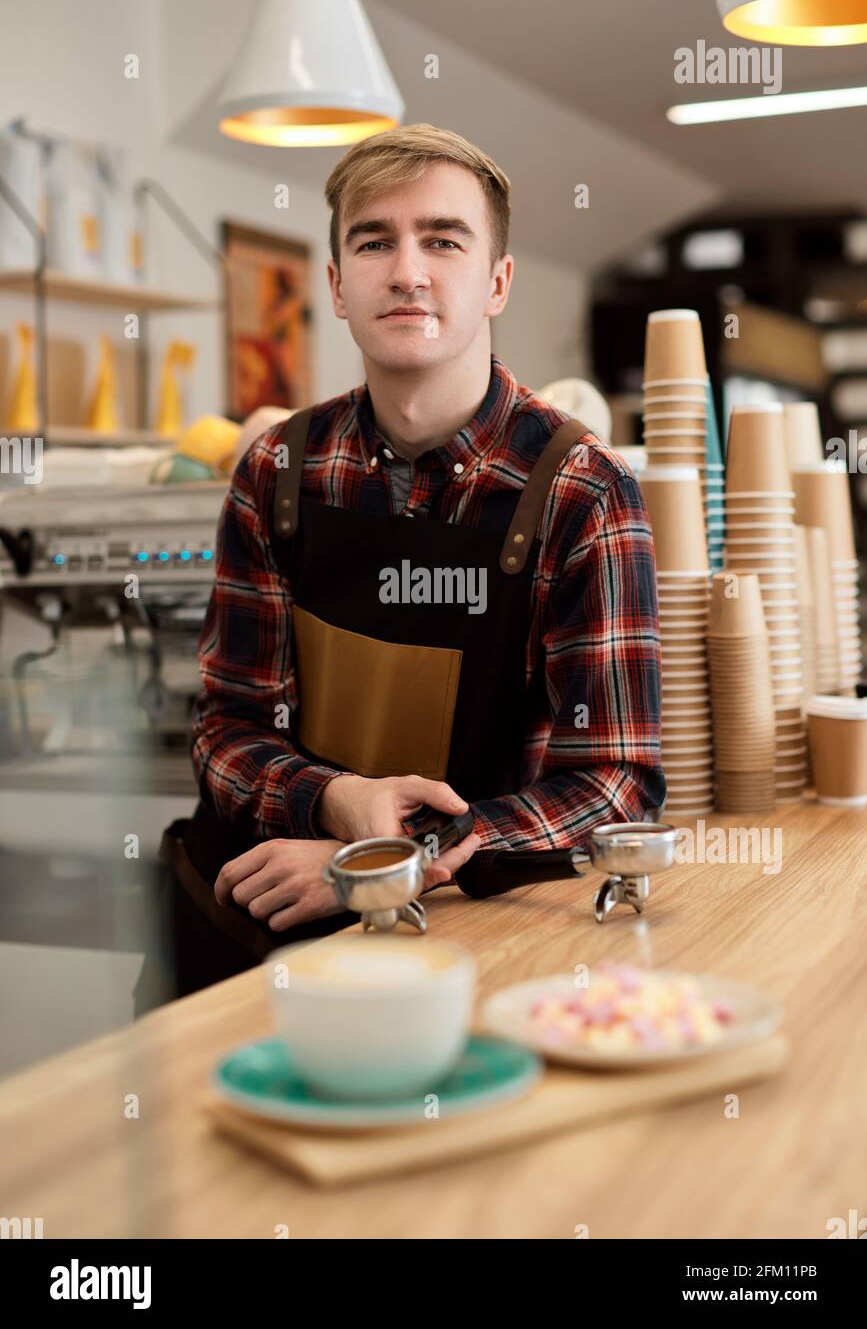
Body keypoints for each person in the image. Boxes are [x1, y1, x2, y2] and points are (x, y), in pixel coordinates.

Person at [163, 123, 665, 994]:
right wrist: (329, 801)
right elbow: (225, 727)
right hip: (261, 914)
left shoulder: (582, 492)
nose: (406, 270)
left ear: (497, 280)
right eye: (374, 241)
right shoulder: (277, 471)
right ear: (337, 285)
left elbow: (613, 783)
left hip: (473, 932)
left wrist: (390, 858)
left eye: (442, 239)